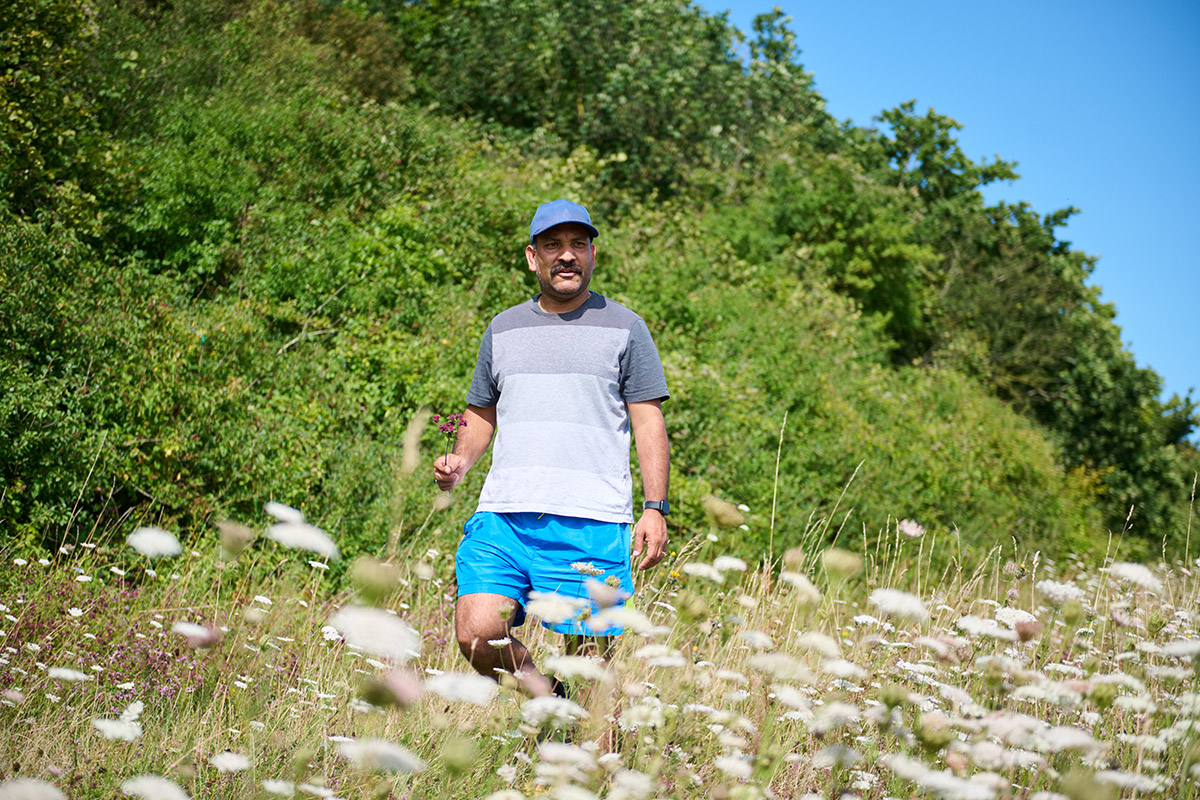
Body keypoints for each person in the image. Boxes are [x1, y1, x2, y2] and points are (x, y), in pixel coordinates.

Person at [433, 198, 670, 696]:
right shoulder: (503, 328)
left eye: (578, 244)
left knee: (590, 668)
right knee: (477, 632)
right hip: (505, 515)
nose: (567, 255)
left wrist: (654, 507)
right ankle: (550, 704)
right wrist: (460, 461)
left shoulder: (626, 327)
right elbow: (480, 413)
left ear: (592, 254)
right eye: (553, 245)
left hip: (592, 519)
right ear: (531, 257)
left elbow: (648, 420)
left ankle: (591, 762)